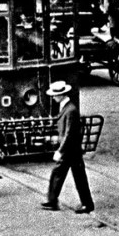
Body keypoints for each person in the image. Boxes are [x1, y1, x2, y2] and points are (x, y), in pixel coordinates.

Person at [41, 81, 94, 214]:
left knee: (76, 176)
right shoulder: (67, 108)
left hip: (71, 149)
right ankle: (53, 200)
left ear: (61, 95)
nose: (53, 97)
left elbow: (69, 133)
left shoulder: (70, 110)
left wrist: (60, 150)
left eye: (55, 95)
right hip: (71, 149)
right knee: (61, 173)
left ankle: (86, 204)